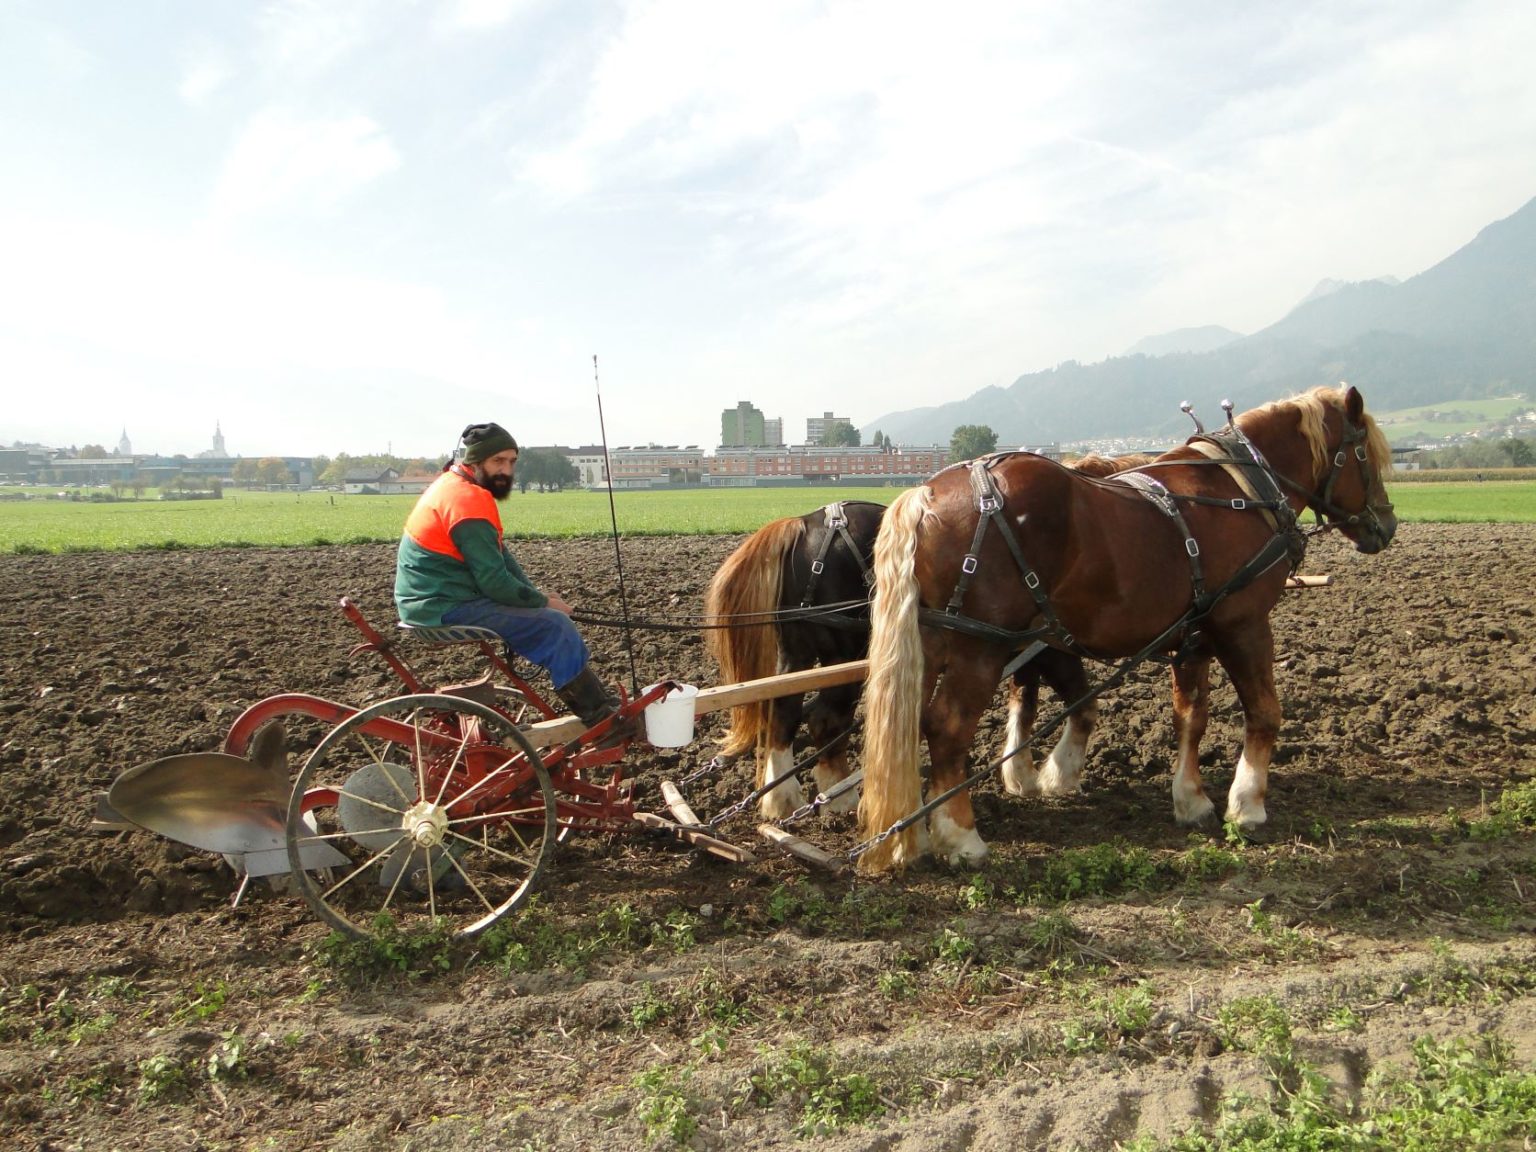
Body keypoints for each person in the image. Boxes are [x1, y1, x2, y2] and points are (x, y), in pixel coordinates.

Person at [394, 422, 628, 733]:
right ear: (475, 462)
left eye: (511, 461)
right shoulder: (467, 501)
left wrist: (540, 597)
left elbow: (502, 559)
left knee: (548, 615)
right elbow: (494, 582)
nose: (506, 470)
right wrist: (544, 605)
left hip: (432, 599)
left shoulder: (453, 485)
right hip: (441, 605)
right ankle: (602, 721)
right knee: (555, 626)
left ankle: (601, 706)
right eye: (497, 461)